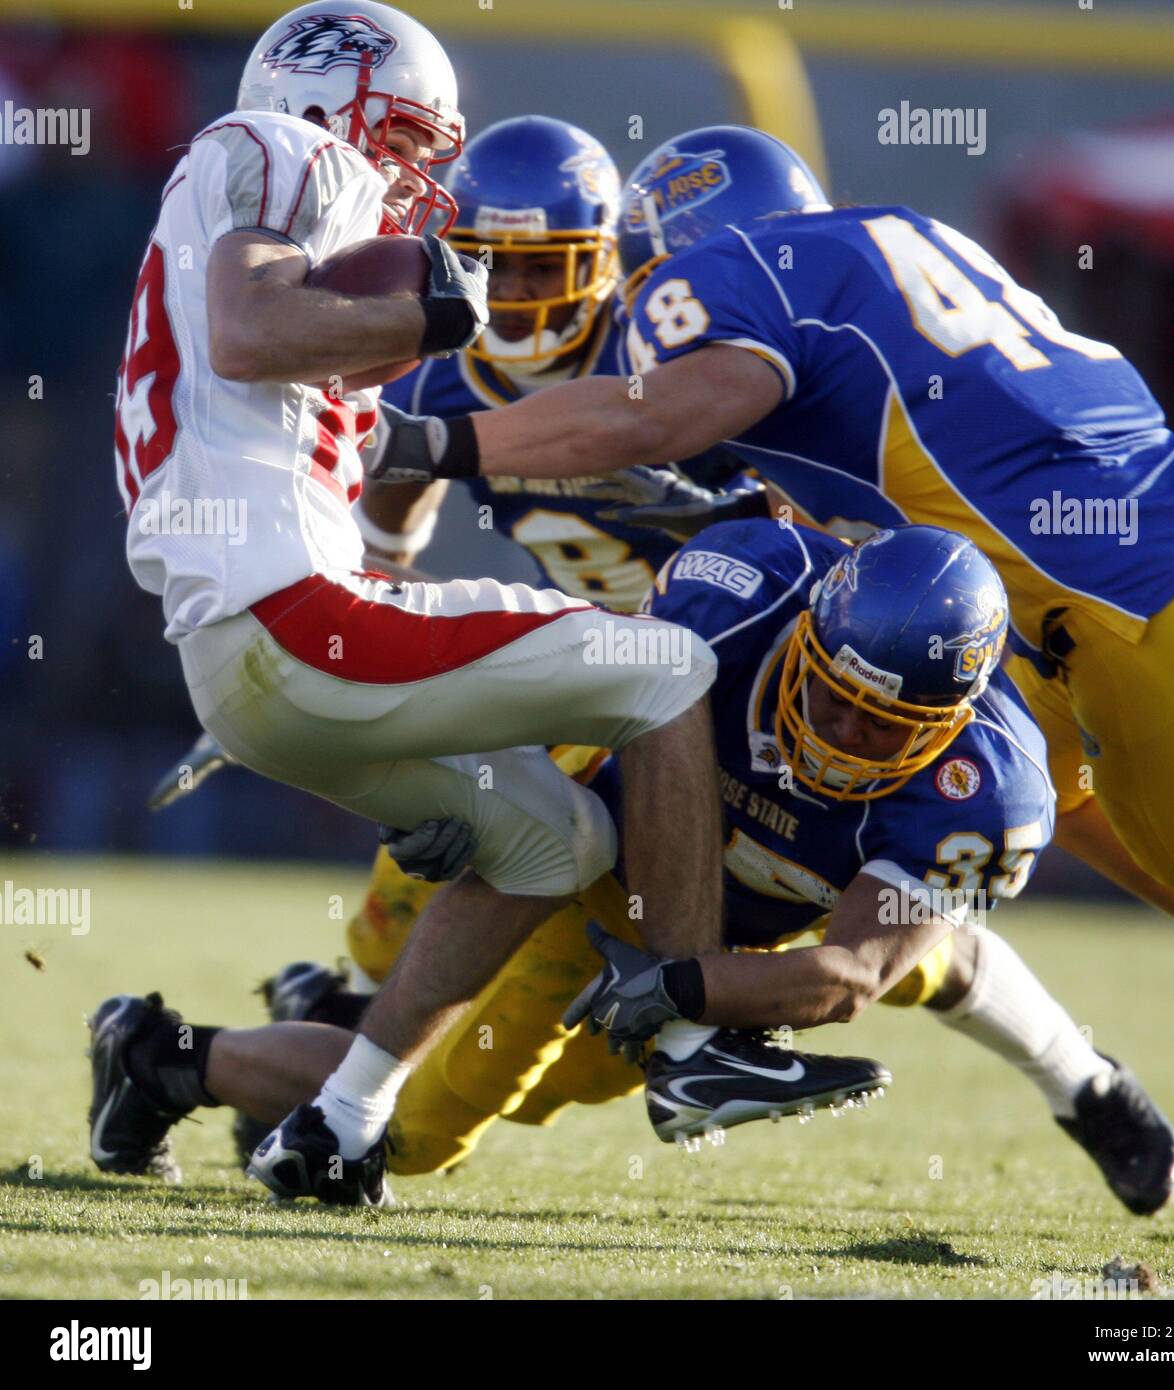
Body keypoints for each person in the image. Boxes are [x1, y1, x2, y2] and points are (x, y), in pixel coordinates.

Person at [368, 124, 1174, 1118]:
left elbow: (647, 417)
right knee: (1064, 790)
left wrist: (417, 441)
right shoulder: (873, 251)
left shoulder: (736, 272)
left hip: (1137, 597)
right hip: (1149, 576)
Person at [93, 7, 789, 1210]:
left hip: (259, 660)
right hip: (297, 621)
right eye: (411, 136)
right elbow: (253, 330)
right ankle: (687, 1041)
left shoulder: (265, 246)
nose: (419, 177)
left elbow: (301, 409)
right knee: (669, 665)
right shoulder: (279, 146)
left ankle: (334, 1124)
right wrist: (434, 315)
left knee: (552, 841)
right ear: (338, 103)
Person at [236, 521, 1174, 1216]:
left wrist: (683, 988)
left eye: (885, 724)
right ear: (809, 636)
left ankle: (1084, 1085)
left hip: (768, 926)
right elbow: (557, 681)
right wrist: (448, 788)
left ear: (948, 725)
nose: (844, 735)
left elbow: (854, 975)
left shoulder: (984, 790)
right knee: (432, 1126)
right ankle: (224, 1045)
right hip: (626, 858)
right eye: (835, 695)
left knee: (919, 946)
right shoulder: (738, 595)